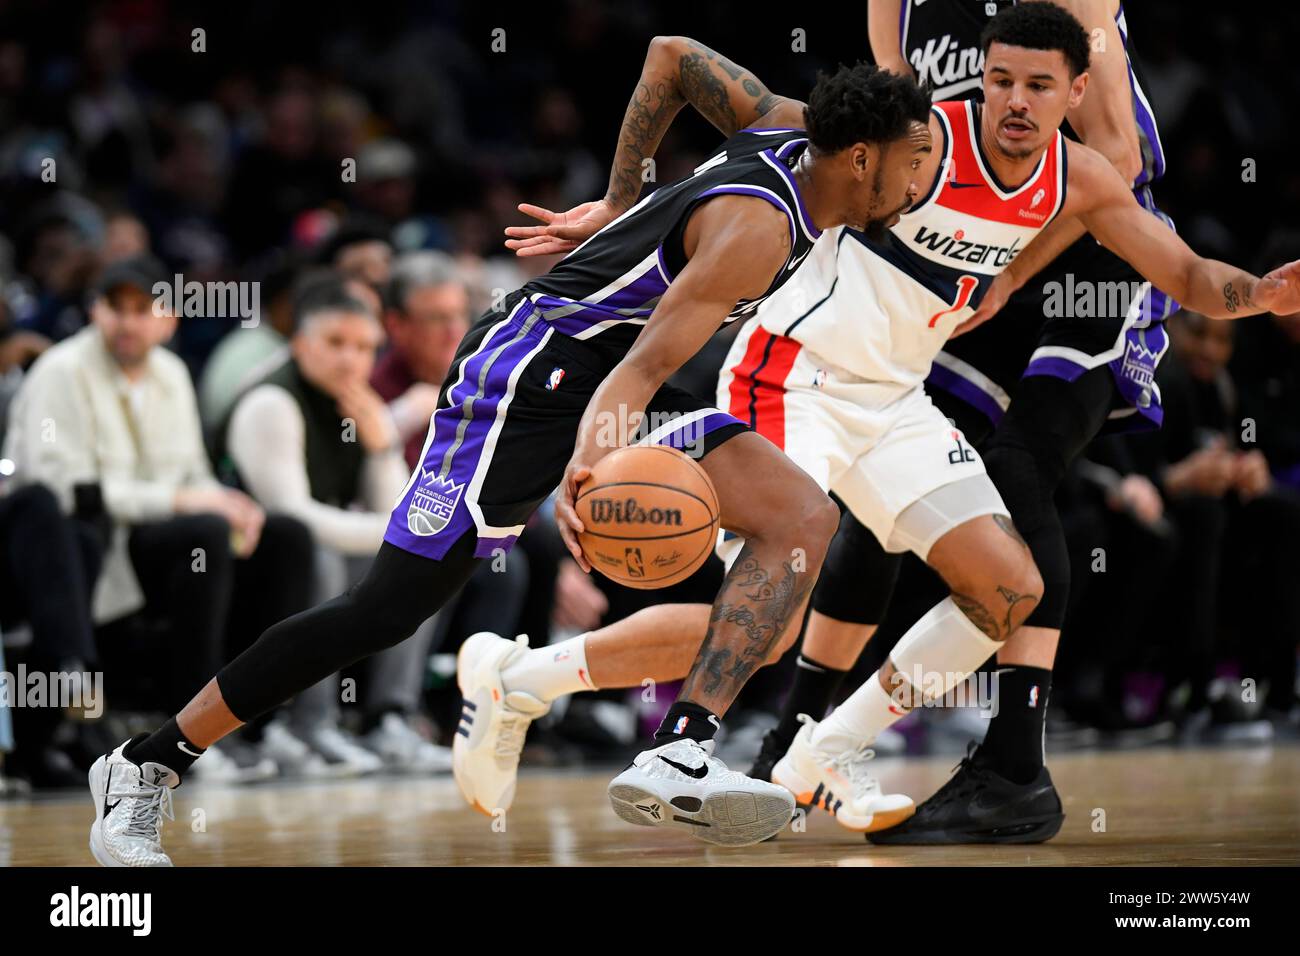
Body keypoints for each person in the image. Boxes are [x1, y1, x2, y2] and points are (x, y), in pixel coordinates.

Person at [85, 41, 934, 864]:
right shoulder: (758, 227)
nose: (920, 184)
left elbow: (672, 55)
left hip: (610, 373)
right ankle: (144, 766)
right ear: (861, 157)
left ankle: (680, 748)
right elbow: (638, 371)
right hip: (530, 375)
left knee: (800, 520)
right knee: (386, 609)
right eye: (914, 160)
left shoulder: (789, 122)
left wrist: (619, 200)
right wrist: (590, 468)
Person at [484, 5, 1300, 839]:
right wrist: (630, 199)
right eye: (1001, 81)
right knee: (769, 622)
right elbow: (732, 91)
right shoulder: (916, 139)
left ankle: (818, 752)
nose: (1016, 101)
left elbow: (1188, 277)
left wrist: (1265, 295)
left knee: (1009, 589)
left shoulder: (1080, 179)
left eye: (1038, 85)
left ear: (1077, 92)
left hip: (895, 400)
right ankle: (571, 698)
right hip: (792, 375)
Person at [5, 256, 316, 782]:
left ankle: (263, 724)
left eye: (143, 309)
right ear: (95, 312)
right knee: (204, 532)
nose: (128, 322)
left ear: (169, 319)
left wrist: (228, 500)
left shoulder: (171, 373)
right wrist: (182, 501)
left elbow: (193, 473)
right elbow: (64, 491)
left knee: (285, 535)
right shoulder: (61, 370)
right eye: (116, 308)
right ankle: (189, 734)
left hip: (154, 538)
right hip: (85, 545)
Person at [217, 274, 451, 774]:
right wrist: (398, 537)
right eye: (336, 343)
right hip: (242, 566)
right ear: (301, 343)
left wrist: (382, 445)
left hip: (311, 555)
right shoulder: (271, 402)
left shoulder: (357, 403)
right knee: (319, 554)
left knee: (424, 563)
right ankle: (308, 724)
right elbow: (293, 516)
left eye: (364, 348)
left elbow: (397, 507)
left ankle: (390, 720)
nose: (351, 360)